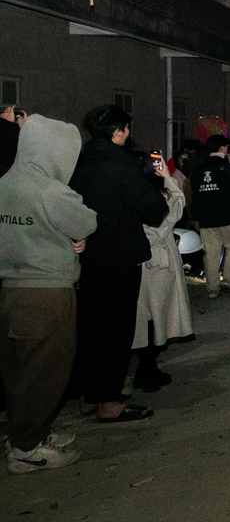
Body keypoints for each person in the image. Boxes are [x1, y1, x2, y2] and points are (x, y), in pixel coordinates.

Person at [0, 115, 96, 473]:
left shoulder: (5, 183)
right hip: (47, 293)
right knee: (45, 372)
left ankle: (32, 434)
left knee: (18, 373)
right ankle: (27, 451)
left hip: (10, 291)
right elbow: (85, 222)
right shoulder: (50, 189)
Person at [70, 105, 168, 423]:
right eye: (126, 128)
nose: (128, 133)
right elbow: (153, 209)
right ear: (117, 131)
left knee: (89, 326)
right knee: (116, 329)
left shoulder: (79, 161)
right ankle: (109, 401)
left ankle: (89, 393)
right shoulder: (122, 164)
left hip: (86, 254)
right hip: (119, 255)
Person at [130, 151, 193, 393]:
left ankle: (147, 367)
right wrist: (168, 179)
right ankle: (147, 369)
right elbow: (177, 206)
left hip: (142, 260)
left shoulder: (130, 195)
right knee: (158, 316)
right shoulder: (156, 198)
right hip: (159, 262)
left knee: (145, 316)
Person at [190, 134, 230, 299]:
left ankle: (213, 288)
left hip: (206, 219)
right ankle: (228, 281)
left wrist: (196, 218)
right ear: (223, 148)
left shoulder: (199, 169)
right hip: (228, 218)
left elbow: (196, 196)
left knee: (211, 253)